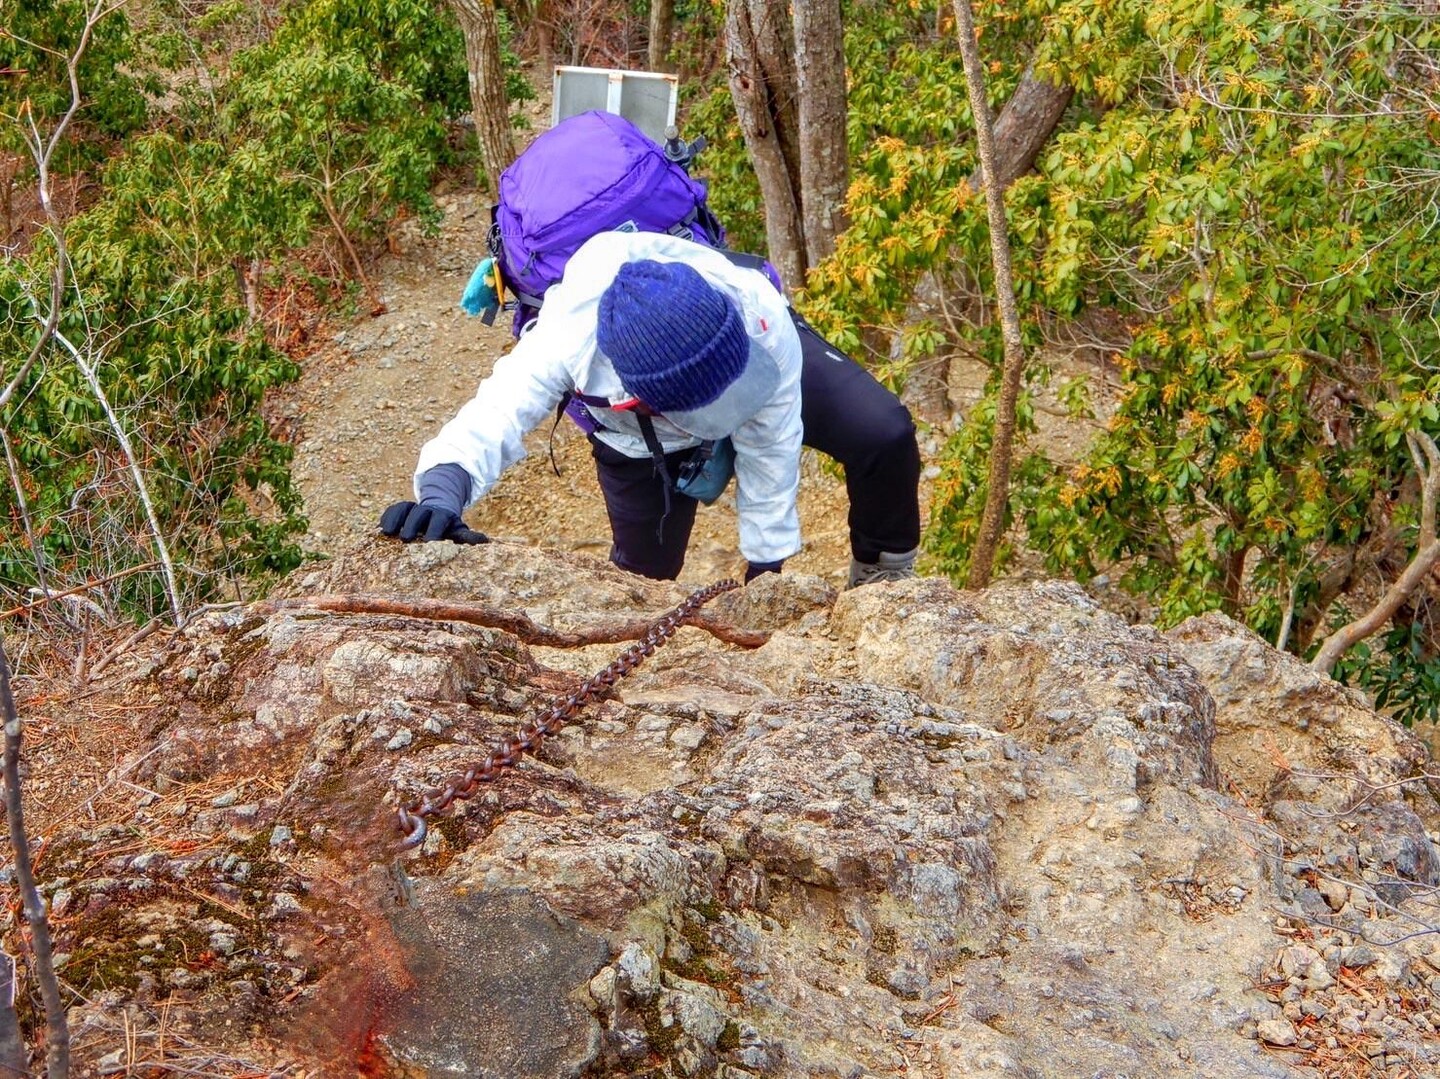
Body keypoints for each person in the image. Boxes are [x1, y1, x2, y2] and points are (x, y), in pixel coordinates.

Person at [379, 229, 921, 588]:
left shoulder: (753, 309)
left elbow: (770, 442)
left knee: (882, 430)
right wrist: (440, 496)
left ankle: (884, 580)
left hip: (743, 346)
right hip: (633, 442)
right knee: (646, 574)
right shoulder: (567, 340)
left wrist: (766, 569)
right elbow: (492, 417)